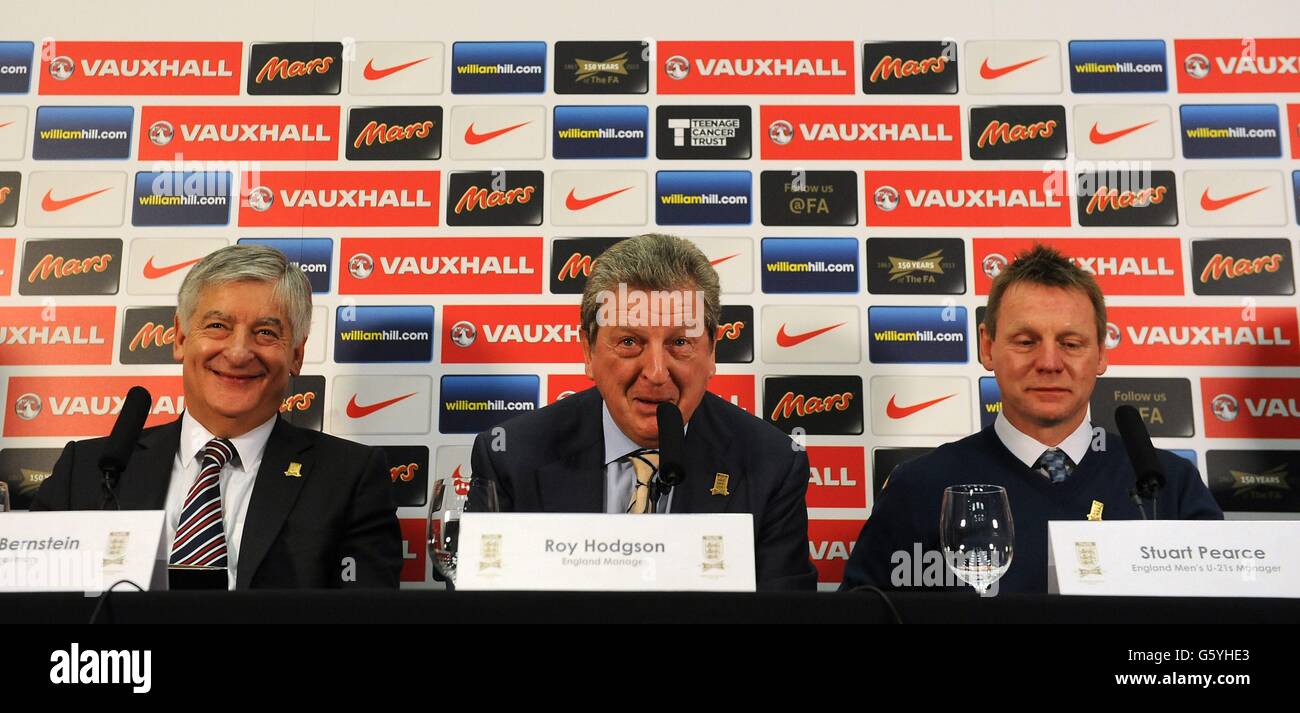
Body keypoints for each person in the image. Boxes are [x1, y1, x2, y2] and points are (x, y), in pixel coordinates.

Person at [840, 244, 1222, 594]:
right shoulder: (921, 487)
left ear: (1101, 354)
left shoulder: (1168, 485)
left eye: (1071, 344)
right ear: (988, 347)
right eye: (1026, 341)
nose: (1049, 363)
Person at [34, 245, 402, 589]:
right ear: (179, 337)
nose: (239, 352)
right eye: (217, 326)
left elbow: (365, 617)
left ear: (296, 355)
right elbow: (31, 605)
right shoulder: (88, 468)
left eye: (266, 333)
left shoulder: (349, 477)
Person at [469, 233, 817, 591]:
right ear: (588, 352)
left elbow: (786, 612)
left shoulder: (771, 464)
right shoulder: (511, 456)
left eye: (680, 342)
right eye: (629, 342)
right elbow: (477, 610)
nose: (655, 373)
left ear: (712, 352)